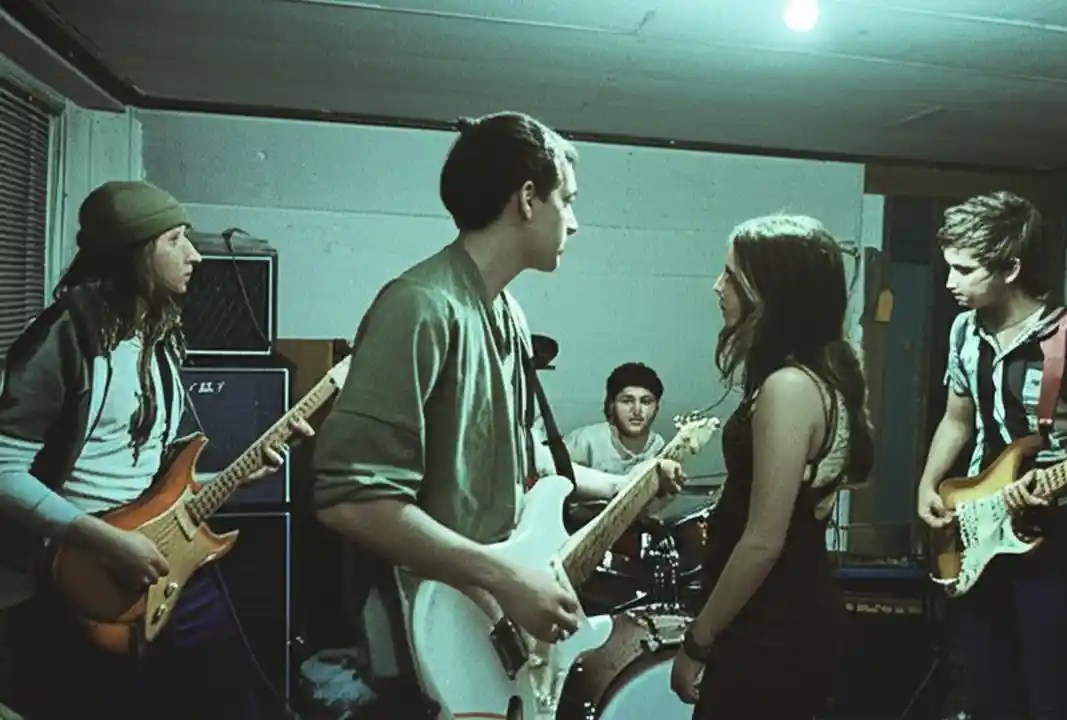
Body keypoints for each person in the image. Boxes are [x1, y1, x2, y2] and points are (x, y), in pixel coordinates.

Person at [310, 111, 685, 715]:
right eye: (569, 199)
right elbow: (351, 499)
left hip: (481, 617)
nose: (576, 222)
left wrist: (626, 487)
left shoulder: (507, 313)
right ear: (528, 199)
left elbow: (523, 455)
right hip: (426, 630)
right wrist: (506, 578)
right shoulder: (419, 307)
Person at [0, 180, 310, 719]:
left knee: (231, 701)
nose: (193, 254)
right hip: (87, 568)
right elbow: (3, 468)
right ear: (134, 253)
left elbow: (151, 470)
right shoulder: (61, 338)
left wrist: (239, 476)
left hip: (164, 556)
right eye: (174, 239)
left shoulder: (160, 335)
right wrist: (104, 541)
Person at [915, 191, 1067, 720]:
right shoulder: (965, 330)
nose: (949, 282)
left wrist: (1055, 486)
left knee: (1053, 694)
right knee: (988, 690)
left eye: (964, 269)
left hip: (1051, 538)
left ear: (1011, 268)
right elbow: (957, 419)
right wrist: (928, 484)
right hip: (979, 523)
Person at [669, 215, 874, 719]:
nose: (717, 287)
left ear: (773, 293)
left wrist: (697, 642)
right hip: (776, 617)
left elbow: (763, 540)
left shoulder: (789, 387)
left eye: (732, 276)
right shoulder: (803, 376)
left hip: (772, 626)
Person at [564, 362, 667, 474]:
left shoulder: (657, 446)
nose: (637, 410)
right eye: (627, 401)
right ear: (612, 405)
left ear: (656, 407)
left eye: (646, 402)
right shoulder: (585, 442)